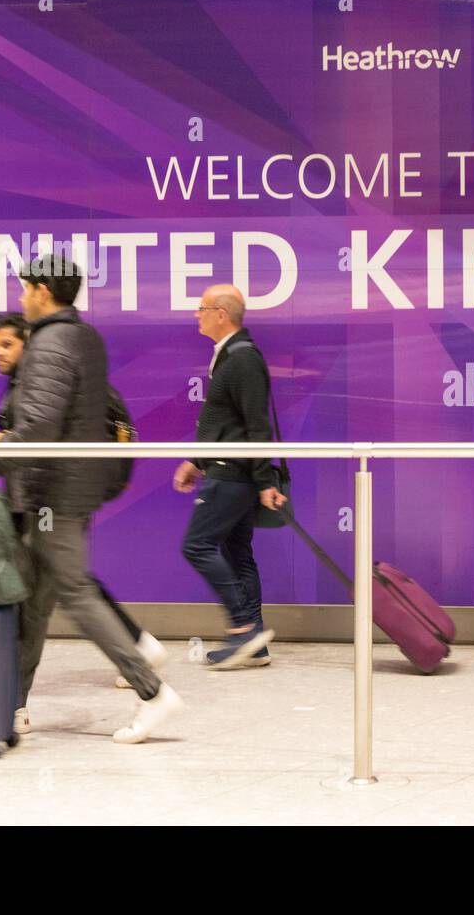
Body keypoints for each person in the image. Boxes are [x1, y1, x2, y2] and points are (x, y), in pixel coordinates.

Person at [0, 255, 183, 743]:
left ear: (41, 290)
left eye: (24, 289)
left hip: (54, 493)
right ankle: (11, 707)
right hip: (70, 490)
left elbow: (38, 427)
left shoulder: (50, 344)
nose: (20, 298)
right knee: (35, 605)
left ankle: (153, 692)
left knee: (76, 595)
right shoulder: (85, 337)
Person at [0, 312, 169, 695]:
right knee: (55, 592)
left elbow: (40, 437)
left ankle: (146, 674)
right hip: (36, 502)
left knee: (63, 589)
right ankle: (14, 704)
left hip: (50, 505)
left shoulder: (43, 383)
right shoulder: (26, 384)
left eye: (8, 344)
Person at [175, 284, 287, 669]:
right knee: (237, 554)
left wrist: (265, 481)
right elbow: (230, 422)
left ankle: (244, 629)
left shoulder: (242, 359)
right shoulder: (231, 356)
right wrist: (198, 460)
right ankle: (253, 644)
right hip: (228, 467)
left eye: (202, 308)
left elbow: (256, 426)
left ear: (221, 314)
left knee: (197, 545)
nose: (196, 314)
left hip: (233, 473)